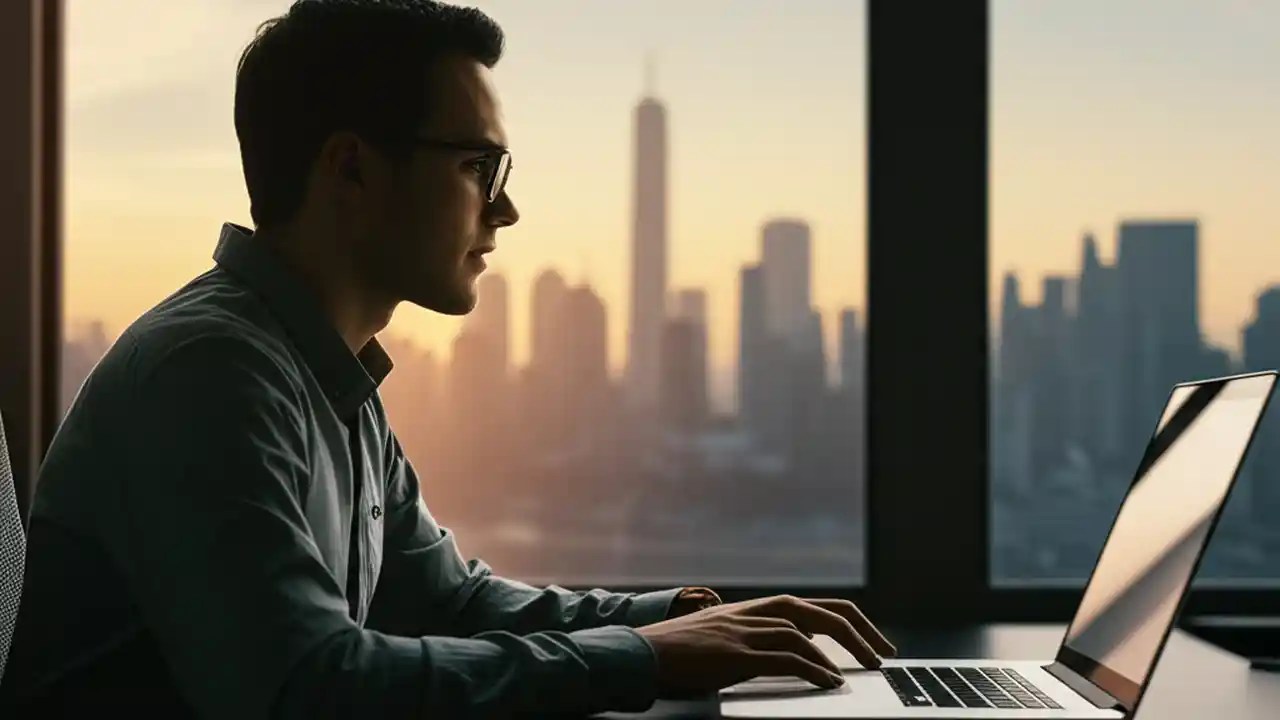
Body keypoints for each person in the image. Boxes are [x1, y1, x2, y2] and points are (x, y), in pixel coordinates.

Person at [0, 1, 895, 716]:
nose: (504, 213)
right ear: (351, 170)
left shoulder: (325, 375)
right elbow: (308, 688)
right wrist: (640, 659)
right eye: (480, 167)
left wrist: (673, 618)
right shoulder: (208, 376)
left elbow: (450, 602)